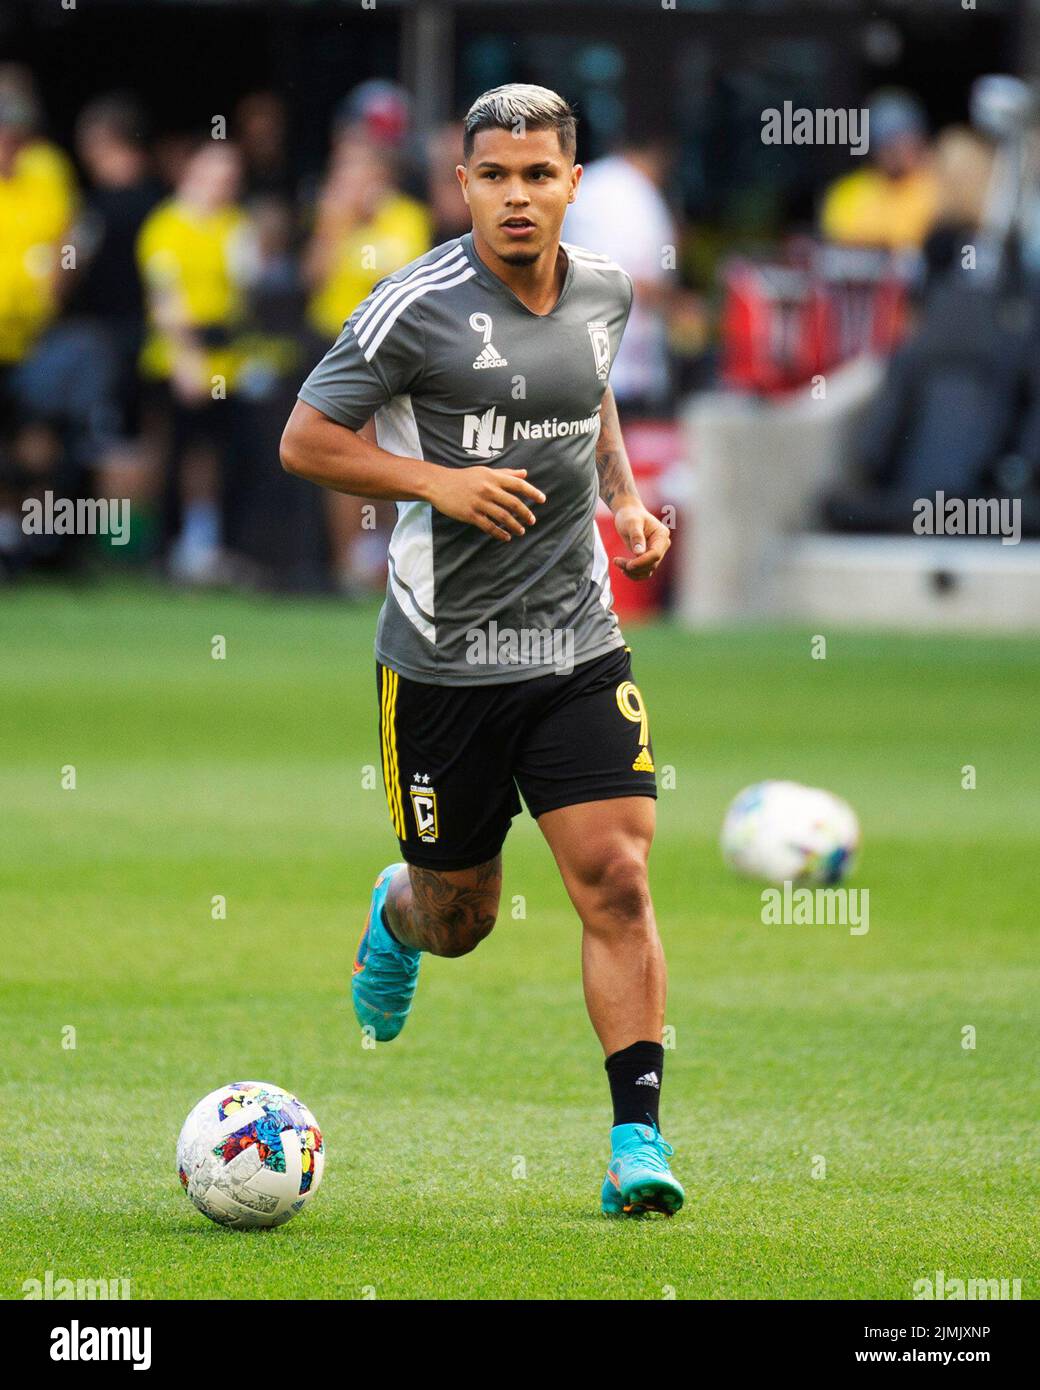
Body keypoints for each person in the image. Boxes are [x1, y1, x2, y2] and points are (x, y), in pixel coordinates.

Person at [281, 84, 682, 1218]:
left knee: (617, 876)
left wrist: (625, 503)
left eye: (538, 175)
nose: (517, 196)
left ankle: (635, 1142)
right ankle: (398, 911)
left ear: (571, 181)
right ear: (462, 185)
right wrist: (433, 481)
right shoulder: (410, 307)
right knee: (462, 920)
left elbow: (587, 390)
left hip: (574, 642)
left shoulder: (604, 290)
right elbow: (305, 438)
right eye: (494, 176)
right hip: (444, 660)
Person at [562, 118, 678, 414]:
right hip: (626, 367)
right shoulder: (636, 194)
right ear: (658, 155)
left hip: (576, 360)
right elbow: (635, 280)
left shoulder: (588, 183)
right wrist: (682, 307)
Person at [820, 89, 940, 254]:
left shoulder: (941, 190)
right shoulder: (848, 193)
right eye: (884, 142)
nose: (894, 150)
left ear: (921, 139)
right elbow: (838, 249)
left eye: (902, 139)